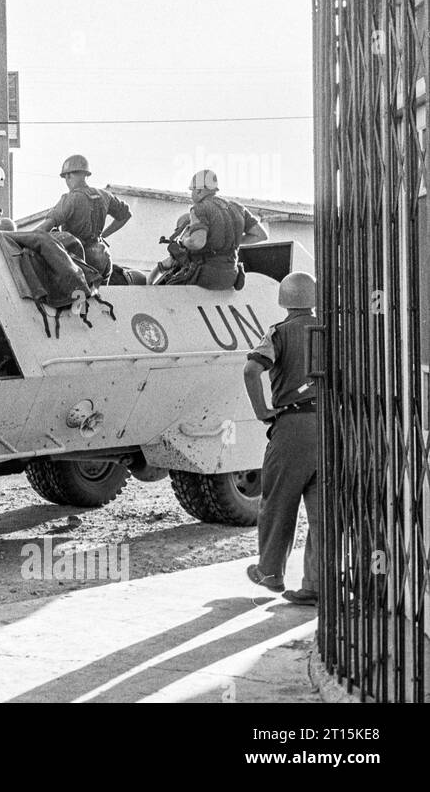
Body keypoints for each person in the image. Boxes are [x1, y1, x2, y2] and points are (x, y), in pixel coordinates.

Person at [243, 273, 319, 606]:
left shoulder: (279, 333)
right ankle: (316, 583)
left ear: (283, 300)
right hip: (331, 427)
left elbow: (250, 370)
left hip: (292, 427)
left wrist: (263, 411)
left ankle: (271, 572)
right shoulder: (333, 332)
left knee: (277, 502)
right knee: (323, 513)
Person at [159, 170, 269, 290]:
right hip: (230, 276)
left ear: (199, 190)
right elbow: (261, 235)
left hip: (205, 276)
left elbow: (197, 242)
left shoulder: (200, 208)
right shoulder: (238, 208)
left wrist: (184, 241)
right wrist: (232, 241)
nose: (192, 195)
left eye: (192, 191)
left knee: (163, 292)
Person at [35, 155, 131, 276]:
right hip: (103, 256)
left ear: (68, 175)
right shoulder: (105, 195)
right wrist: (103, 235)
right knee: (101, 294)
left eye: (66, 177)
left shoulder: (71, 198)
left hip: (81, 260)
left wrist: (22, 239)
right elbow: (125, 215)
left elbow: (45, 227)